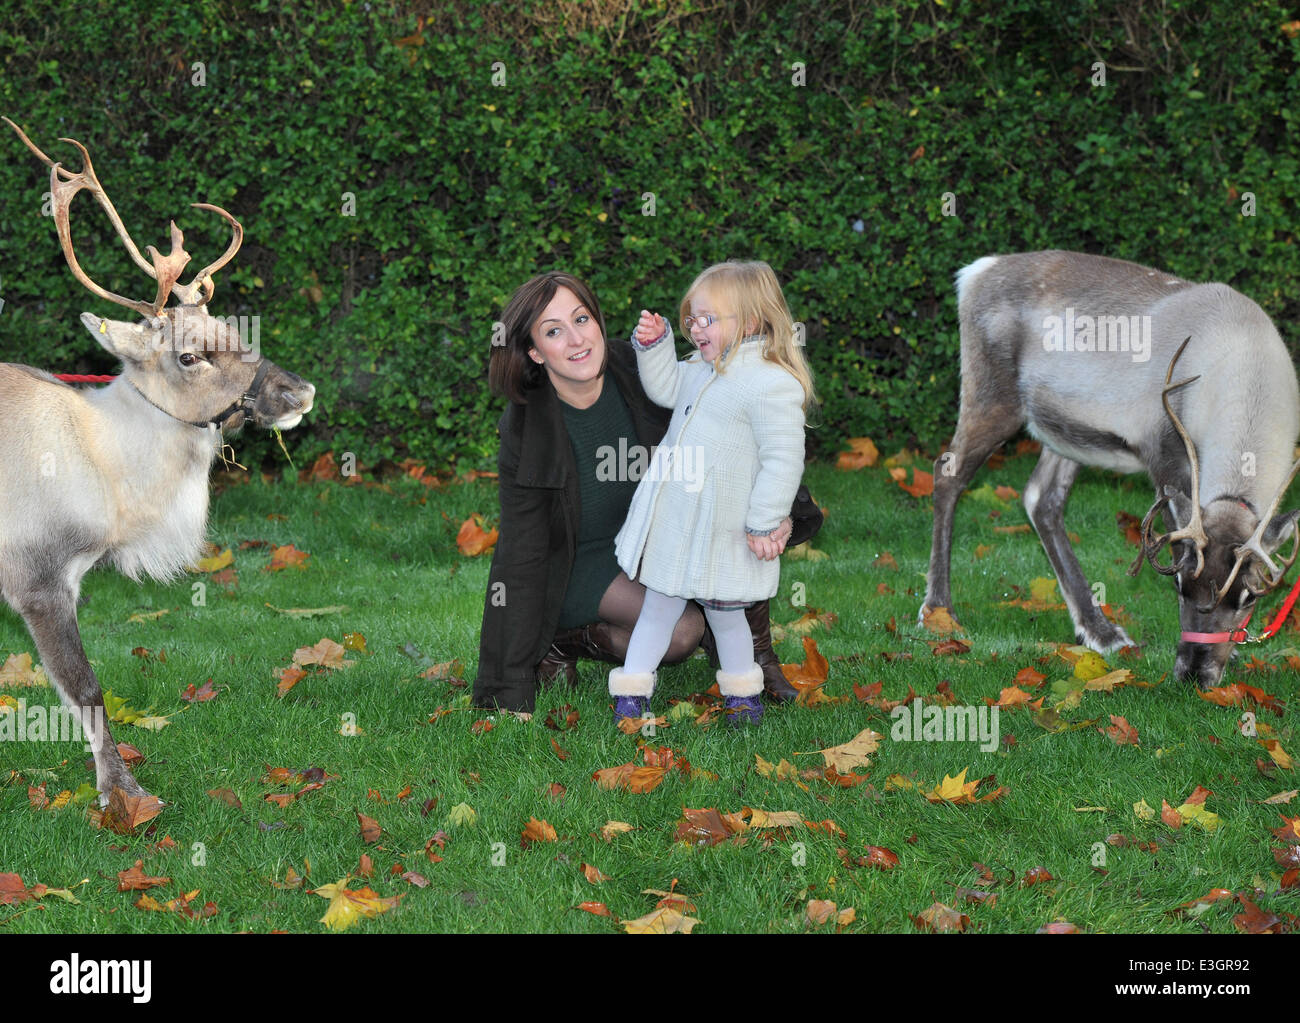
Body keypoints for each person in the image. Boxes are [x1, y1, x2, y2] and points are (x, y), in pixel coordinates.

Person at [472, 270, 820, 717]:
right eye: (554, 331)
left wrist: (780, 519)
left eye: (582, 320)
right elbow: (520, 551)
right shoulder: (527, 426)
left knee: (731, 538)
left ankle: (758, 664)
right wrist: (510, 686)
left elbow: (744, 446)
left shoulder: (634, 370)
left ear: (598, 321)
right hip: (581, 562)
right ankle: (558, 641)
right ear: (535, 352)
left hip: (660, 536)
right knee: (680, 631)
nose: (577, 340)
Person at [609, 260, 817, 726]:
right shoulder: (702, 368)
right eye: (691, 320)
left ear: (749, 321)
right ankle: (632, 689)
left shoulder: (770, 383)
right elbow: (663, 389)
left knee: (727, 616)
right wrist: (656, 345)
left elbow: (782, 460)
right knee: (658, 607)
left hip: (725, 529)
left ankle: (743, 692)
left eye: (708, 319)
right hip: (680, 523)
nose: (695, 329)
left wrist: (765, 521)